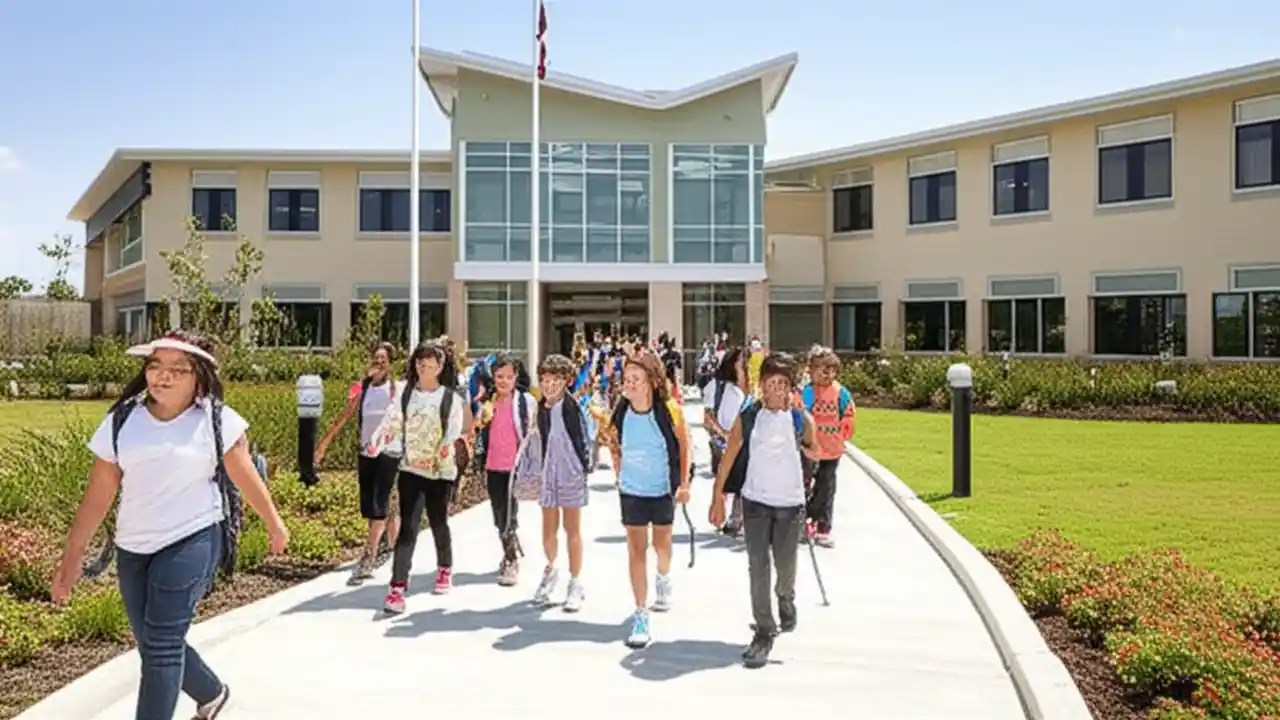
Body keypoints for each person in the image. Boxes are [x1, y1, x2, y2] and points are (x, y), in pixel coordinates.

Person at [51, 330, 289, 720]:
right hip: (133, 545)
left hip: (193, 537)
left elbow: (245, 475)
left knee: (161, 644)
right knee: (151, 641)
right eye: (155, 365)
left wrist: (275, 523)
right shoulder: (123, 420)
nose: (162, 376)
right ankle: (212, 693)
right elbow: (99, 492)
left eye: (178, 369)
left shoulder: (217, 420)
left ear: (199, 376)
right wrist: (73, 554)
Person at [709, 352, 817, 669]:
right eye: (772, 382)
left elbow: (817, 452)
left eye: (784, 383)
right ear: (762, 384)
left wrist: (805, 443)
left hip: (789, 504)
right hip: (755, 501)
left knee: (785, 570)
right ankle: (764, 631)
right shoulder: (749, 417)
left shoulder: (800, 418)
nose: (777, 389)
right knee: (758, 567)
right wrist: (717, 496)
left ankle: (786, 598)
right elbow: (728, 456)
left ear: (791, 387)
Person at [366, 341, 465, 612]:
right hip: (411, 470)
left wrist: (442, 449)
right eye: (420, 363)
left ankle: (445, 566)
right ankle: (397, 587)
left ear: (440, 366)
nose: (423, 367)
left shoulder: (450, 398)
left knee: (438, 522)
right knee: (408, 527)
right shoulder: (406, 395)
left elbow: (453, 431)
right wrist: (380, 439)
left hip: (439, 472)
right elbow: (392, 421)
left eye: (429, 363)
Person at [605, 352, 691, 648]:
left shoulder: (668, 410)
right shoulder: (621, 410)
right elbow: (614, 442)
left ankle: (663, 577)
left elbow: (684, 445)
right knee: (636, 551)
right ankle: (641, 612)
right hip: (632, 491)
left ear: (652, 382)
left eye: (635, 380)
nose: (628, 385)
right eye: (626, 379)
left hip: (662, 490)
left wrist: (684, 483)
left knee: (662, 546)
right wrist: (618, 471)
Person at [315, 341, 402, 584]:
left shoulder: (396, 389)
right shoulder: (362, 388)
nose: (379, 361)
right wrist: (324, 443)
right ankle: (394, 547)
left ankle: (368, 555)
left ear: (391, 363)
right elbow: (345, 415)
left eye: (384, 358)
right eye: (376, 357)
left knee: (379, 502)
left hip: (389, 451)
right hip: (366, 451)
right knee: (377, 504)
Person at [530, 354, 595, 611]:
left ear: (565, 381)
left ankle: (576, 581)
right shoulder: (541, 409)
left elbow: (582, 439)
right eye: (545, 380)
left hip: (571, 472)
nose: (549, 385)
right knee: (548, 531)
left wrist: (584, 468)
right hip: (549, 472)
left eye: (555, 380)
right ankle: (551, 568)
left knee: (572, 530)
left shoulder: (571, 407)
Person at [474, 354, 536, 587]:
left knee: (509, 512)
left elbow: (532, 432)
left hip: (514, 468)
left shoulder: (524, 402)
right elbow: (479, 428)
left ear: (516, 377)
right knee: (498, 513)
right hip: (493, 466)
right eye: (499, 376)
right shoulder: (487, 401)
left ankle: (511, 559)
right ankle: (510, 546)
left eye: (509, 377)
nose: (504, 381)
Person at [799, 346, 856, 548]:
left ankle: (823, 525)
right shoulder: (807, 393)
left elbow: (848, 415)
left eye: (830, 370)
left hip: (832, 449)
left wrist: (845, 431)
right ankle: (804, 521)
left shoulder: (841, 393)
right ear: (811, 371)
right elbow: (800, 415)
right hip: (809, 448)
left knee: (827, 487)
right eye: (821, 369)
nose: (826, 374)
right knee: (804, 485)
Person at [703, 346, 747, 535]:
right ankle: (719, 514)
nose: (743, 364)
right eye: (740, 361)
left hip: (740, 440)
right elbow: (707, 417)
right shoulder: (716, 385)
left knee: (742, 481)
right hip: (722, 441)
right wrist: (723, 434)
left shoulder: (740, 386)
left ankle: (736, 519)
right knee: (723, 478)